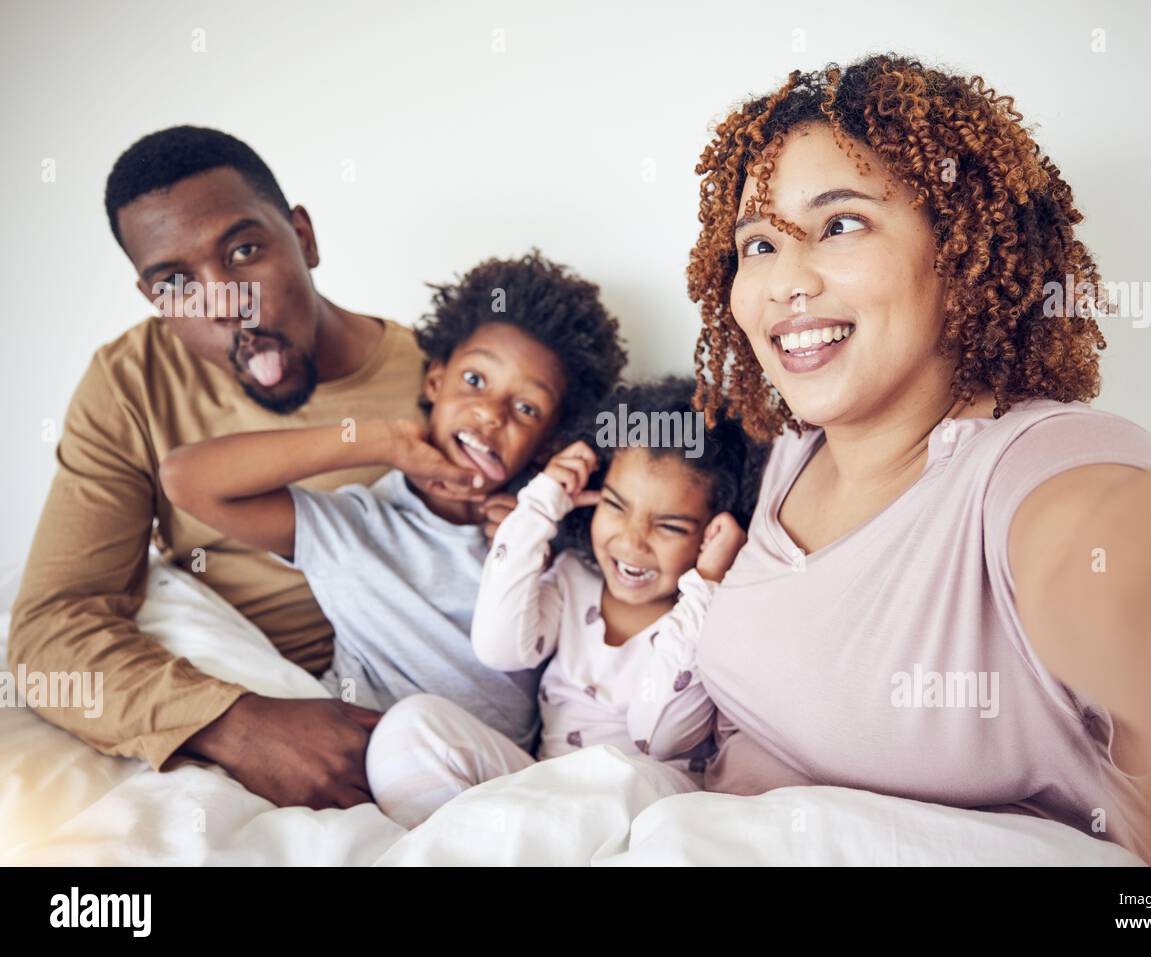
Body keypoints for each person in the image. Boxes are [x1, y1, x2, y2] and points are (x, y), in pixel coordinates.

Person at [681, 53, 1151, 863]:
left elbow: (1133, 564)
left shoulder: (1040, 461)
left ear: (961, 254)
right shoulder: (793, 454)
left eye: (840, 224)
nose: (782, 282)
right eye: (757, 243)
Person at [8, 125, 445, 811]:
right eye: (176, 282)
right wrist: (234, 724)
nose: (223, 302)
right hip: (235, 687)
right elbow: (52, 625)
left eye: (244, 251)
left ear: (303, 236)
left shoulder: (450, 378)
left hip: (411, 715)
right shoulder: (131, 381)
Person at [160, 252, 628, 760]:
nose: (490, 415)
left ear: (544, 442)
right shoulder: (352, 524)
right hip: (360, 762)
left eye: (525, 408)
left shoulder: (548, 542)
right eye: (474, 381)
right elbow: (186, 480)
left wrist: (530, 536)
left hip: (490, 776)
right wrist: (380, 441)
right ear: (434, 382)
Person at [364, 378, 764, 829]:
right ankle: (475, 846)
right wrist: (539, 507)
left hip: (643, 811)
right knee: (409, 725)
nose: (630, 541)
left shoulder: (708, 615)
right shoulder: (574, 577)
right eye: (614, 505)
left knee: (633, 777)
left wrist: (710, 581)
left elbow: (659, 736)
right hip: (543, 797)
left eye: (669, 526)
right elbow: (499, 648)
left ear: (714, 533)